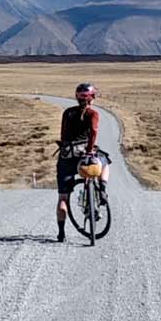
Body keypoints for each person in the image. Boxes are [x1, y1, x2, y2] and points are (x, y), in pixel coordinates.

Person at [55, 82, 100, 242]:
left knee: (63, 197)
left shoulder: (67, 113)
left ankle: (61, 233)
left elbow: (63, 134)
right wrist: (89, 150)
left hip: (66, 155)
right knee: (105, 162)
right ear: (92, 98)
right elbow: (93, 132)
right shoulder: (93, 114)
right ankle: (101, 190)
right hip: (83, 156)